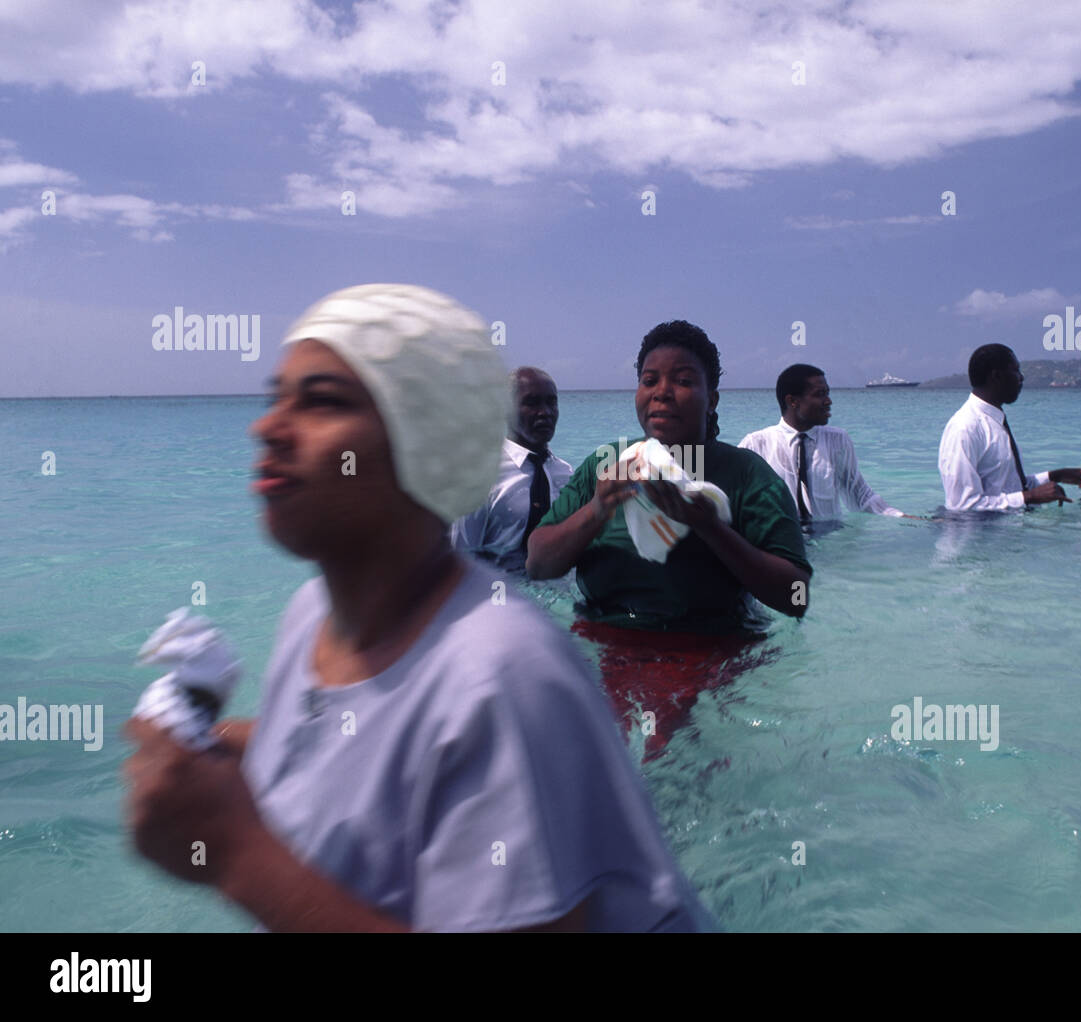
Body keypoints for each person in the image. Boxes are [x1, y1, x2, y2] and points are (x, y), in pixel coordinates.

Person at [124, 284, 713, 932]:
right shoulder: (312, 614)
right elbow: (365, 749)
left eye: (321, 402)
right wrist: (210, 747)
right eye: (277, 398)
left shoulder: (502, 676)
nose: (266, 426)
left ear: (425, 439)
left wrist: (235, 852)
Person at [526, 320, 811, 753]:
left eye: (682, 381)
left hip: (709, 648)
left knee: (662, 747)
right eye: (648, 380)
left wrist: (710, 527)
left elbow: (795, 597)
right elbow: (538, 564)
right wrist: (598, 509)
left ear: (711, 399)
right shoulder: (606, 463)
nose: (661, 392)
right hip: (603, 640)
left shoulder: (745, 476)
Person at [739, 363, 914, 523]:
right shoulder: (756, 444)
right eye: (819, 394)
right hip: (782, 545)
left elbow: (859, 494)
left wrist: (905, 518)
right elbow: (733, 498)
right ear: (792, 401)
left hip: (830, 543)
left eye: (827, 393)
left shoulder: (838, 440)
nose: (828, 401)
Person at [938, 343, 1081, 511]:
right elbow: (961, 506)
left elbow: (1008, 487)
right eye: (1016, 371)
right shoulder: (965, 427)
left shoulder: (994, 420)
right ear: (997, 376)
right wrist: (1030, 497)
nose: (1021, 378)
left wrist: (1055, 476)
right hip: (981, 536)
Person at [451, 367, 573, 570]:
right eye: (532, 403)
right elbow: (460, 558)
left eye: (551, 402)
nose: (545, 412)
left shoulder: (566, 474)